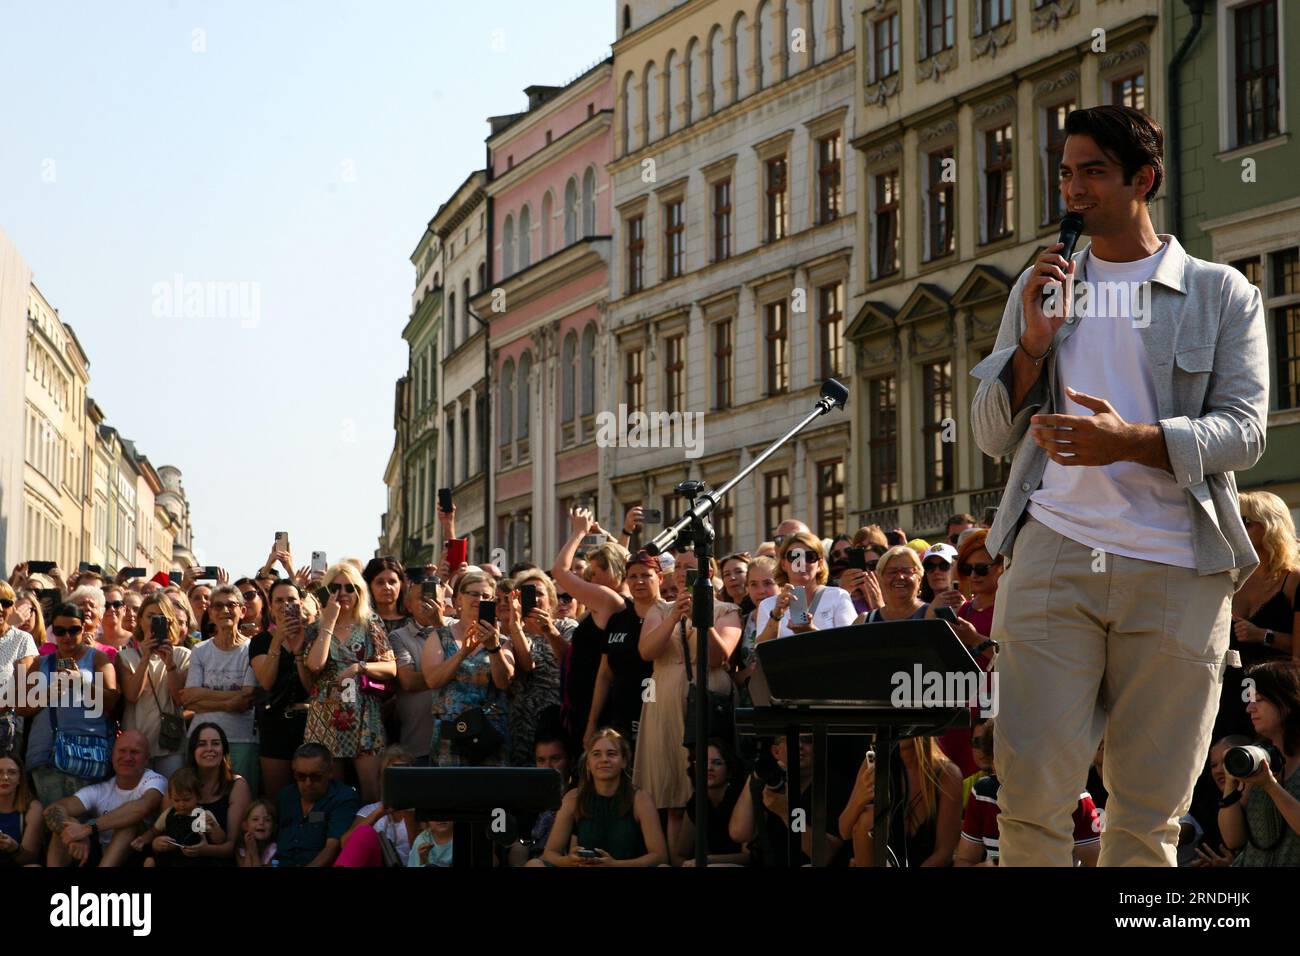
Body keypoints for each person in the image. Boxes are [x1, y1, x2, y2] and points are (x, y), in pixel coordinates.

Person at [970, 105, 1268, 867]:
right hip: (1053, 557)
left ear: (1144, 180)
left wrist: (1131, 443)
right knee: (1030, 801)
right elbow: (988, 433)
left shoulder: (1220, 293)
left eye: (1092, 171)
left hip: (1177, 567)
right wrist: (1032, 347)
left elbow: (1245, 430)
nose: (1073, 189)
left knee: (1147, 816)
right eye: (1065, 172)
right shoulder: (1039, 290)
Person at [634, 546, 741, 852]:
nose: (681, 574)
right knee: (671, 793)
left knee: (702, 788)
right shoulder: (659, 610)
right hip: (665, 705)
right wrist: (673, 618)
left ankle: (704, 854)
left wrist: (700, 615)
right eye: (678, 567)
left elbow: (720, 656)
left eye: (689, 567)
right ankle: (670, 857)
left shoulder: (727, 611)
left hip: (706, 701)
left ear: (708, 572)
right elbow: (646, 652)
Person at [302, 563, 396, 803]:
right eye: (335, 587)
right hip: (326, 713)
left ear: (359, 592)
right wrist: (329, 622)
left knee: (372, 790)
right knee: (331, 793)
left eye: (350, 587)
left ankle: (369, 838)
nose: (343, 593)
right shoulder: (316, 627)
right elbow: (314, 665)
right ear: (326, 591)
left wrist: (358, 667)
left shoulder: (370, 623)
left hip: (364, 713)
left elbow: (391, 667)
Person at [954, 719, 1101, 867]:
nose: (1012, 767)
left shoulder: (1075, 798)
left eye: (1020, 756)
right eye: (1002, 757)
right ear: (992, 762)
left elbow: (1097, 862)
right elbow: (965, 860)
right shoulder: (982, 794)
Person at [1215, 491, 1298, 740]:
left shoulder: (1293, 579)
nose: (1237, 529)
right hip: (1227, 693)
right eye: (1233, 522)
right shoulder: (1227, 580)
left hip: (1275, 697)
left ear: (1271, 526)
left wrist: (1264, 636)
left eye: (1246, 522)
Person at [21, 604, 118, 806]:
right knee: (55, 823)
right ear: (52, 632)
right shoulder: (41, 663)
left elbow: (112, 700)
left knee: (83, 828)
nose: (67, 636)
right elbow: (22, 707)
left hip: (88, 753)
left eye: (74, 630)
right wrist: (47, 694)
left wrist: (81, 682)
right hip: (47, 755)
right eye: (60, 631)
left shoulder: (97, 658)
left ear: (83, 628)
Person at [550, 508, 629, 755]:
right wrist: (602, 534)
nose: (589, 579)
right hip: (587, 701)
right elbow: (628, 556)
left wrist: (578, 533)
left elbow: (559, 571)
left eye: (594, 573)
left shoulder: (608, 599)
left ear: (613, 570)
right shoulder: (616, 601)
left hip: (593, 705)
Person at [420, 570, 512, 767]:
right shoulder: (439, 636)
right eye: (474, 594)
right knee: (450, 795)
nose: (480, 599)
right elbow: (432, 680)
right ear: (459, 599)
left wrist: (493, 648)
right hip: (452, 732)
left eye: (486, 596)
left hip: (490, 733)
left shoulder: (503, 641)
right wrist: (463, 652)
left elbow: (504, 682)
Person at [538, 728, 667, 867]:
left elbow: (660, 856)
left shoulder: (640, 798)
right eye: (596, 754)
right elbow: (550, 853)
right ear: (588, 764)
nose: (604, 759)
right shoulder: (573, 798)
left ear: (624, 761)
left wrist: (615, 865)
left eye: (611, 754)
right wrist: (569, 861)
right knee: (534, 864)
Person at [1218, 661, 1300, 866]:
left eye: (1259, 700)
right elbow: (1233, 839)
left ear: (1287, 701)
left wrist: (1269, 786)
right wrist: (1230, 784)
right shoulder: (1256, 758)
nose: (1249, 708)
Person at [43, 730, 165, 867]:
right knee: (66, 823)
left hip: (137, 854)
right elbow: (53, 809)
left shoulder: (155, 780)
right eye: (122, 751)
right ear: (112, 756)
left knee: (128, 825)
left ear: (146, 759)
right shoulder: (101, 789)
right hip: (100, 854)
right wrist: (73, 836)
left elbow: (142, 808)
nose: (127, 757)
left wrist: (87, 829)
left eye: (134, 752)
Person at [839, 736, 963, 867]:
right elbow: (844, 831)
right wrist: (860, 798)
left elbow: (944, 853)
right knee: (867, 818)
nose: (897, 723)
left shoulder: (947, 774)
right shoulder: (875, 764)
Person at [182, 585, 259, 795]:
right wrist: (228, 703)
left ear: (242, 611)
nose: (224, 610)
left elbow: (247, 698)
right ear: (210, 613)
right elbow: (189, 700)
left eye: (231, 604)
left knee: (241, 799)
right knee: (201, 799)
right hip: (201, 740)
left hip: (241, 739)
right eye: (218, 606)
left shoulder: (253, 649)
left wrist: (202, 694)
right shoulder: (199, 650)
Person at [582, 551, 659, 750]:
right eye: (633, 576)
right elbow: (604, 674)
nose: (639, 581)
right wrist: (592, 723)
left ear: (659, 578)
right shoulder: (618, 620)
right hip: (620, 718)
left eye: (646, 575)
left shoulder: (669, 616)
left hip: (658, 714)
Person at [731, 734, 845, 866]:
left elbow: (823, 854)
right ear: (776, 751)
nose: (799, 746)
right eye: (791, 740)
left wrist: (787, 812)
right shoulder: (767, 783)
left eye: (807, 741)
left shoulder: (834, 786)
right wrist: (757, 774)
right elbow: (739, 834)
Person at [116, 593, 192, 778]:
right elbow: (132, 695)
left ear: (170, 622)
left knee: (171, 795)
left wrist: (171, 665)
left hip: (170, 745)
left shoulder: (183, 655)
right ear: (140, 619)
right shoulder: (126, 656)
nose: (154, 622)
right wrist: (145, 658)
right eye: (150, 616)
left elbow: (180, 698)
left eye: (161, 618)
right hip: (135, 746)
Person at [502, 568, 572, 765]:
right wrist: (515, 625)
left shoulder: (566, 627)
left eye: (539, 593)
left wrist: (549, 630)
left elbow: (570, 661)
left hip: (558, 720)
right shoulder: (509, 635)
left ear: (550, 598)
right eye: (526, 594)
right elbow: (527, 666)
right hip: (522, 723)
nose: (534, 599)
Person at [250, 580, 312, 798]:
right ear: (271, 605)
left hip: (309, 724)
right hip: (275, 723)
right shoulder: (260, 641)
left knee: (310, 794)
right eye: (280, 600)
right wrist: (277, 641)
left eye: (291, 600)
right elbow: (266, 681)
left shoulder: (312, 636)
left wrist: (299, 653)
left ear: (301, 603)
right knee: (278, 798)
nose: (286, 605)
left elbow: (312, 687)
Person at [754, 533, 857, 641]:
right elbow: (762, 650)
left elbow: (849, 644)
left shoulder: (838, 596)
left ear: (820, 564)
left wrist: (811, 630)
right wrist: (776, 616)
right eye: (794, 556)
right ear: (783, 564)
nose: (801, 562)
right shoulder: (768, 605)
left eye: (809, 557)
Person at [274, 742, 360, 867]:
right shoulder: (286, 796)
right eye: (301, 776)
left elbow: (332, 847)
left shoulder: (343, 799)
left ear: (330, 772)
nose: (308, 783)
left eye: (315, 777)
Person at [388, 580, 444, 765]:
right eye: (422, 598)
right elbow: (409, 681)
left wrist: (441, 629)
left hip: (456, 741)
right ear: (408, 605)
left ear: (444, 601)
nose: (429, 602)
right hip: (417, 744)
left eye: (435, 597)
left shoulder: (459, 629)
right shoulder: (398, 637)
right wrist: (453, 671)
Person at [334, 744, 417, 867]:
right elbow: (345, 843)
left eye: (402, 775)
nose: (397, 781)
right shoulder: (370, 811)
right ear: (381, 780)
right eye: (391, 775)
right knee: (364, 832)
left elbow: (425, 853)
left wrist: (409, 817)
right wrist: (379, 812)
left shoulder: (422, 810)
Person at [676, 739, 749, 866]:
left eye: (717, 763)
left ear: (729, 770)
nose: (709, 768)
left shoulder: (741, 796)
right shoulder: (696, 800)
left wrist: (708, 860)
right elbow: (682, 852)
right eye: (703, 762)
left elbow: (749, 857)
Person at [133, 768, 225, 868]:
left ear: (198, 796)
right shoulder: (169, 813)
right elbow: (154, 831)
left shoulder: (204, 815)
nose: (181, 804)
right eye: (176, 800)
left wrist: (214, 826)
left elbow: (219, 840)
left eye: (186, 799)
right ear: (171, 798)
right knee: (149, 861)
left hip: (194, 859)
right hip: (170, 857)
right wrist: (143, 840)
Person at [0, 583, 39, 759]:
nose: (0, 608)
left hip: (7, 724)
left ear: (13, 607)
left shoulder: (22, 639)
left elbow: (25, 686)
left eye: (6, 602)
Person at [853, 546, 930, 624]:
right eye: (892, 572)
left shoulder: (934, 615)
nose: (900, 577)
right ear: (881, 579)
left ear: (919, 579)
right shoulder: (864, 621)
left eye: (906, 571)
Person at [0, 754, 43, 866]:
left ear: (20, 779)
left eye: (12, 772)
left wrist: (13, 847)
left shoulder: (32, 808)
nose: (5, 777)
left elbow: (29, 859)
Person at [363, 556, 410, 635]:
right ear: (369, 586)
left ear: (401, 584)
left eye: (392, 582)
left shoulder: (414, 622)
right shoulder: (361, 623)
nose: (387, 587)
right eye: (380, 583)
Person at [236, 799, 278, 866]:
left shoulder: (274, 849)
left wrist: (254, 853)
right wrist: (249, 850)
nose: (261, 823)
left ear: (274, 827)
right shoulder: (241, 848)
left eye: (267, 820)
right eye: (255, 819)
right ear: (245, 825)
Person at [98, 586, 132, 651]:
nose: (112, 609)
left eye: (116, 604)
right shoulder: (92, 645)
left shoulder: (136, 641)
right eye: (106, 605)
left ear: (124, 610)